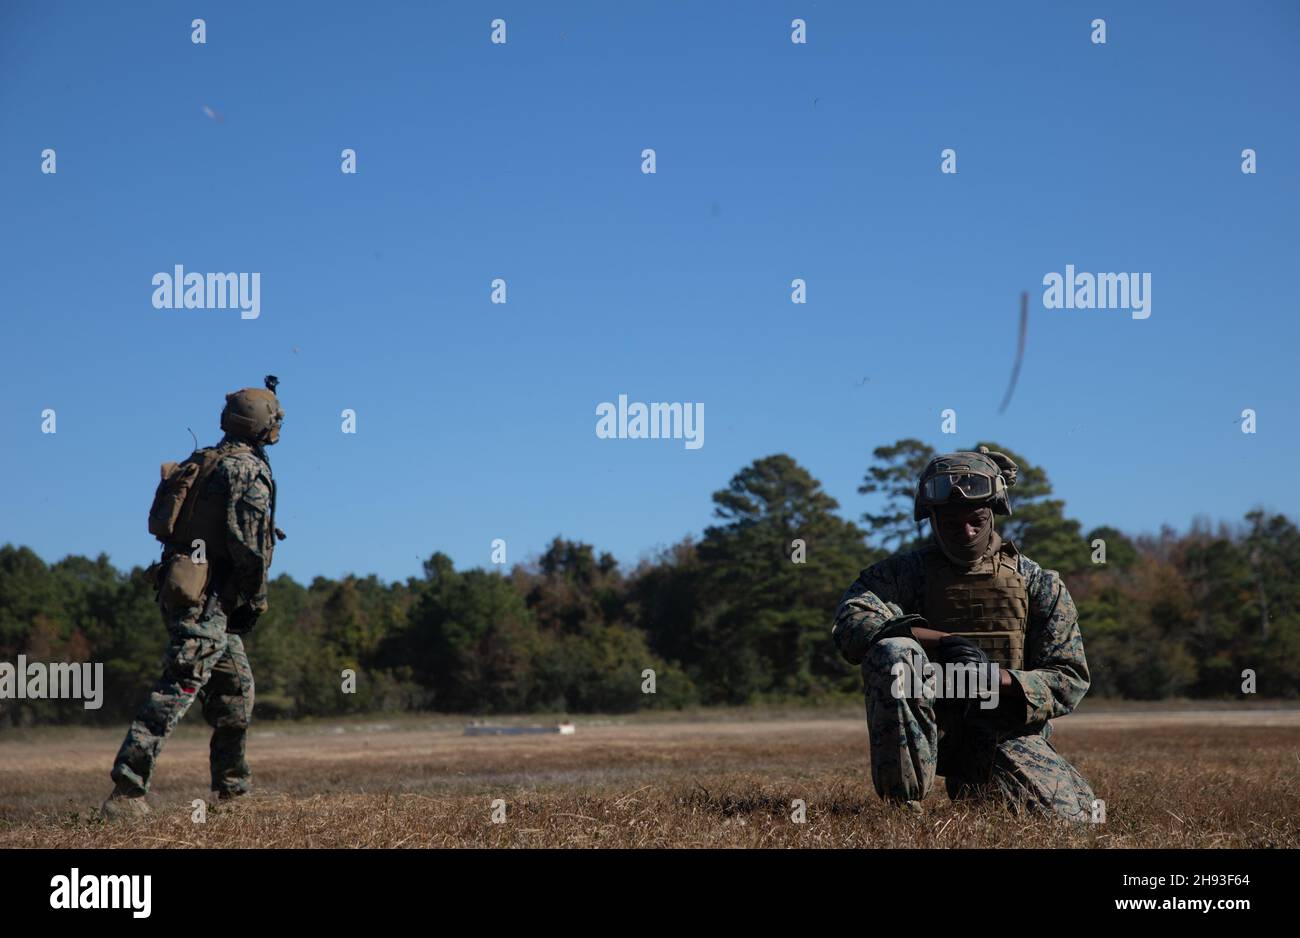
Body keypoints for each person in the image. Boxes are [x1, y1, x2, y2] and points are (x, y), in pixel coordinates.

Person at [831, 447, 1096, 821]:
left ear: (994, 513)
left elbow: (1069, 678)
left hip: (1000, 729)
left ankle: (976, 787)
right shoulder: (903, 574)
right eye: (951, 524)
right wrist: (939, 641)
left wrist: (997, 678)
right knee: (892, 653)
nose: (966, 532)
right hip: (931, 724)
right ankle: (902, 810)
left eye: (976, 520)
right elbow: (851, 624)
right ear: (932, 520)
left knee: (1072, 821)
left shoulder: (1038, 583)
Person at [102, 379, 284, 818]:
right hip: (209, 599)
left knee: (236, 691)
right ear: (262, 426)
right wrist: (255, 598)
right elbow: (249, 547)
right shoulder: (245, 470)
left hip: (188, 590)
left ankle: (232, 793)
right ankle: (126, 793)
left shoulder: (204, 459)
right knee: (178, 687)